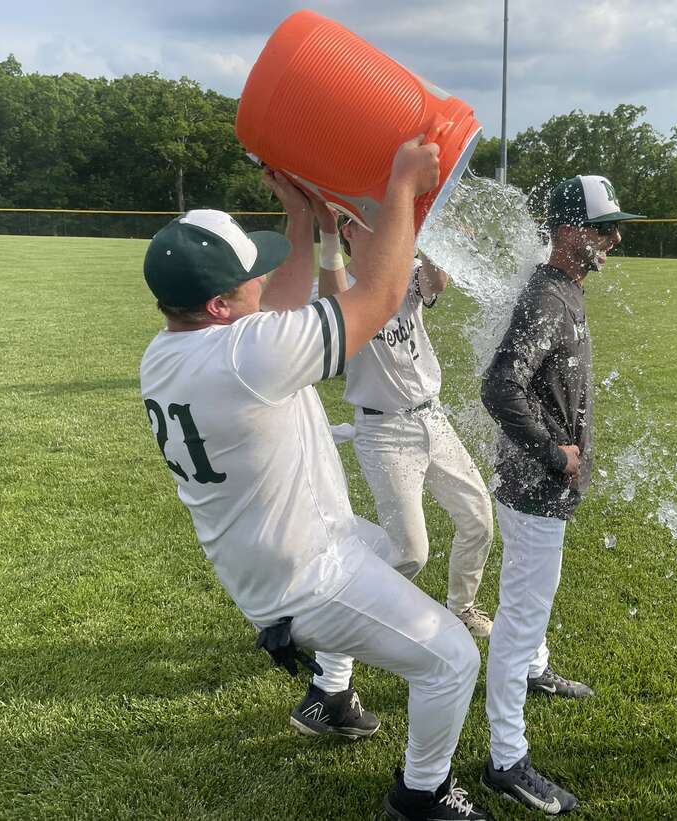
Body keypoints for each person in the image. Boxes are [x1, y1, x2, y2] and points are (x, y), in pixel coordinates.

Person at [139, 137, 490, 821]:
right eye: (250, 278)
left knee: (399, 552)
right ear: (219, 306)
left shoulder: (170, 350)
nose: (264, 283)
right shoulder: (246, 353)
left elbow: (276, 303)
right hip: (306, 572)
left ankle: (328, 695)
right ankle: (422, 794)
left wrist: (307, 225)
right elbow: (383, 293)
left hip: (282, 551)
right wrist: (397, 188)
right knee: (451, 659)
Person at [479, 175, 644, 813]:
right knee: (518, 620)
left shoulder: (563, 289)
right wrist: (556, 453)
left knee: (531, 608)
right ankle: (505, 759)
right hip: (534, 486)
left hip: (538, 487)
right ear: (573, 231)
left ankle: (533, 668)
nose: (615, 238)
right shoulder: (549, 297)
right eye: (605, 228)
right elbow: (500, 386)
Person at [313, 212, 494, 638]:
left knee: (478, 518)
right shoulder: (337, 284)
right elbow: (336, 313)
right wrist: (324, 233)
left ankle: (462, 608)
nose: (385, 231)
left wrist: (430, 236)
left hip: (432, 417)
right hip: (385, 433)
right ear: (349, 231)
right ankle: (343, 614)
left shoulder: (403, 273)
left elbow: (436, 284)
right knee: (410, 552)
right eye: (369, 222)